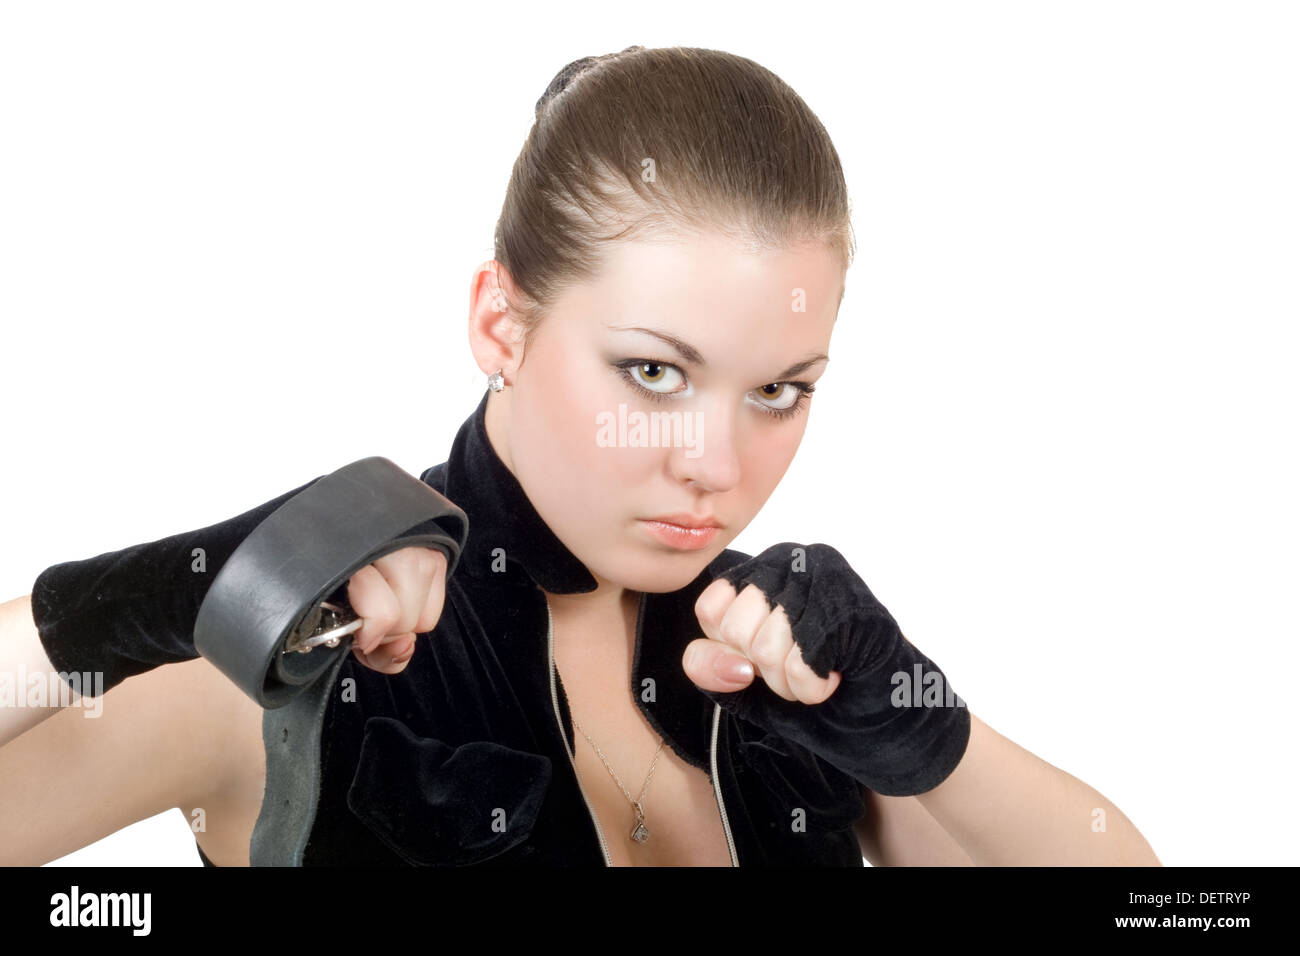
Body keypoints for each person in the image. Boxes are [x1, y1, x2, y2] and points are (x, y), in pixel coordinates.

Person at [0, 45, 1160, 867]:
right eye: (653, 372)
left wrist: (930, 734)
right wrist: (140, 601)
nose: (715, 463)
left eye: (777, 390)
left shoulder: (776, 667)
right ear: (501, 325)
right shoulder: (306, 651)